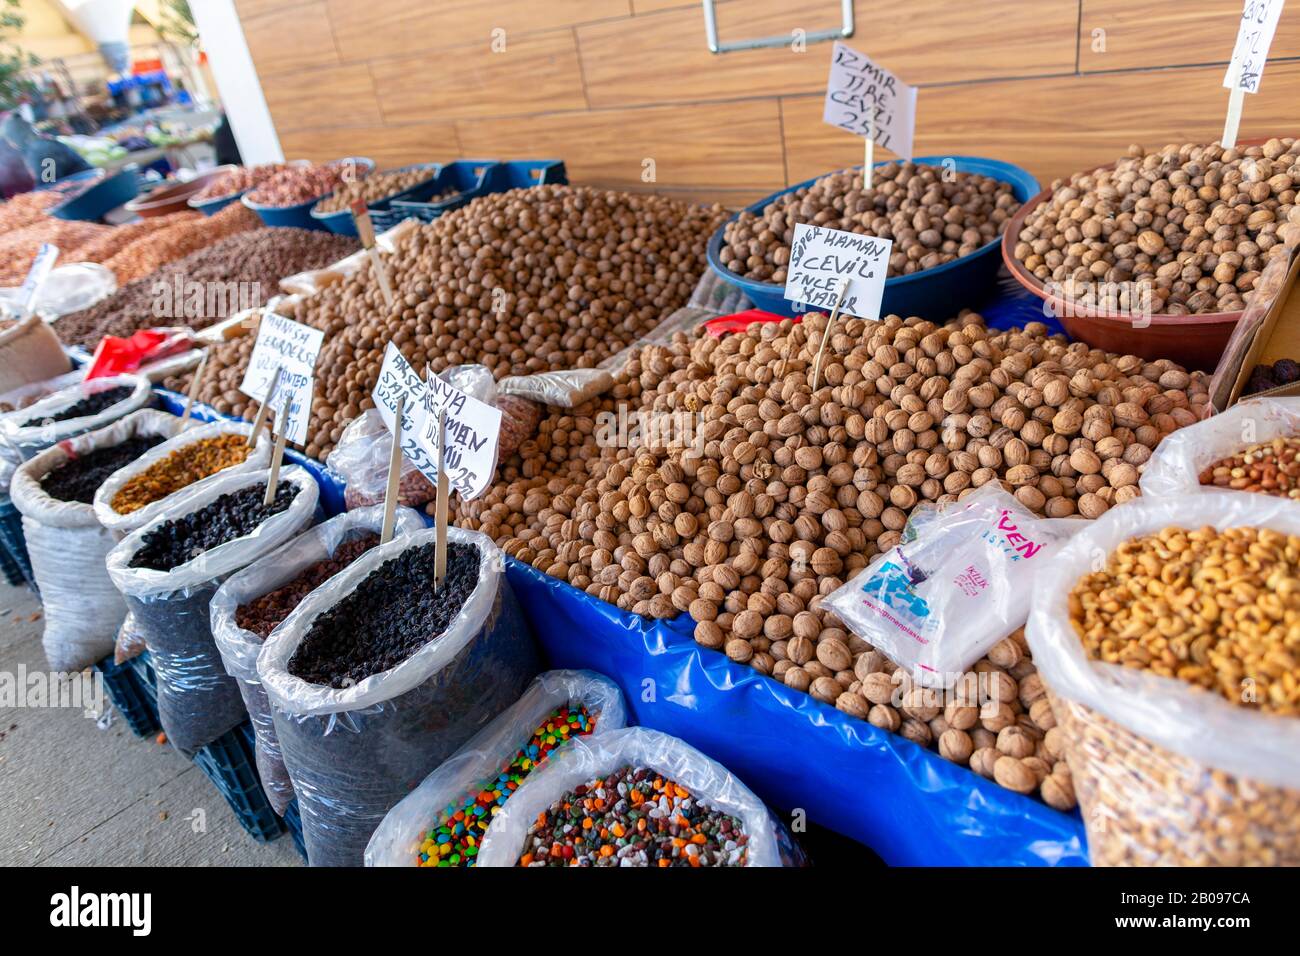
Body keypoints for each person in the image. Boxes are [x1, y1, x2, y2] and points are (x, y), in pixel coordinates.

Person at [0, 111, 92, 186]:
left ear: (15, 138)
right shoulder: (36, 147)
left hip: (89, 188)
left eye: (9, 139)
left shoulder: (41, 150)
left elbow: (49, 182)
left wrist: (36, 195)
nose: (10, 143)